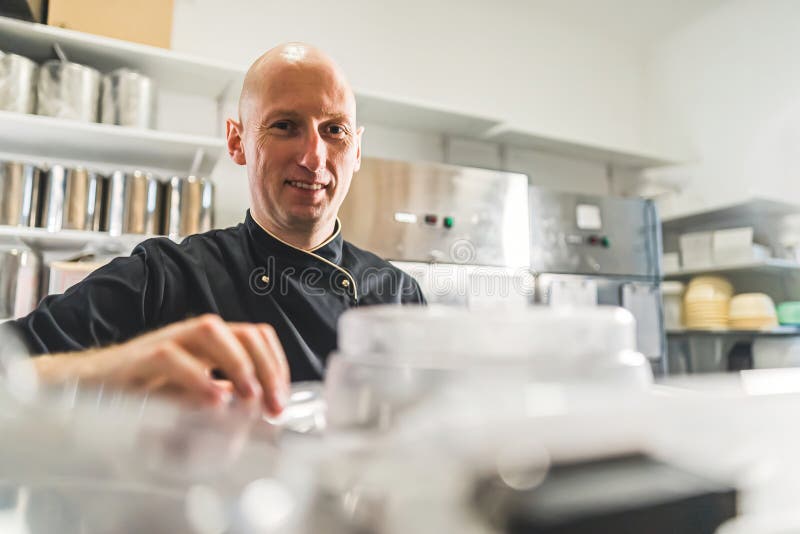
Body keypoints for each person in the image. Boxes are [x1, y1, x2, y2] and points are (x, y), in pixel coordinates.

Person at [4, 43, 425, 414]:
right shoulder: (165, 277)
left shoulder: (399, 295)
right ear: (237, 141)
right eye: (285, 126)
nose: (314, 157)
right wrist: (112, 364)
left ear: (356, 151)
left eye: (334, 130)